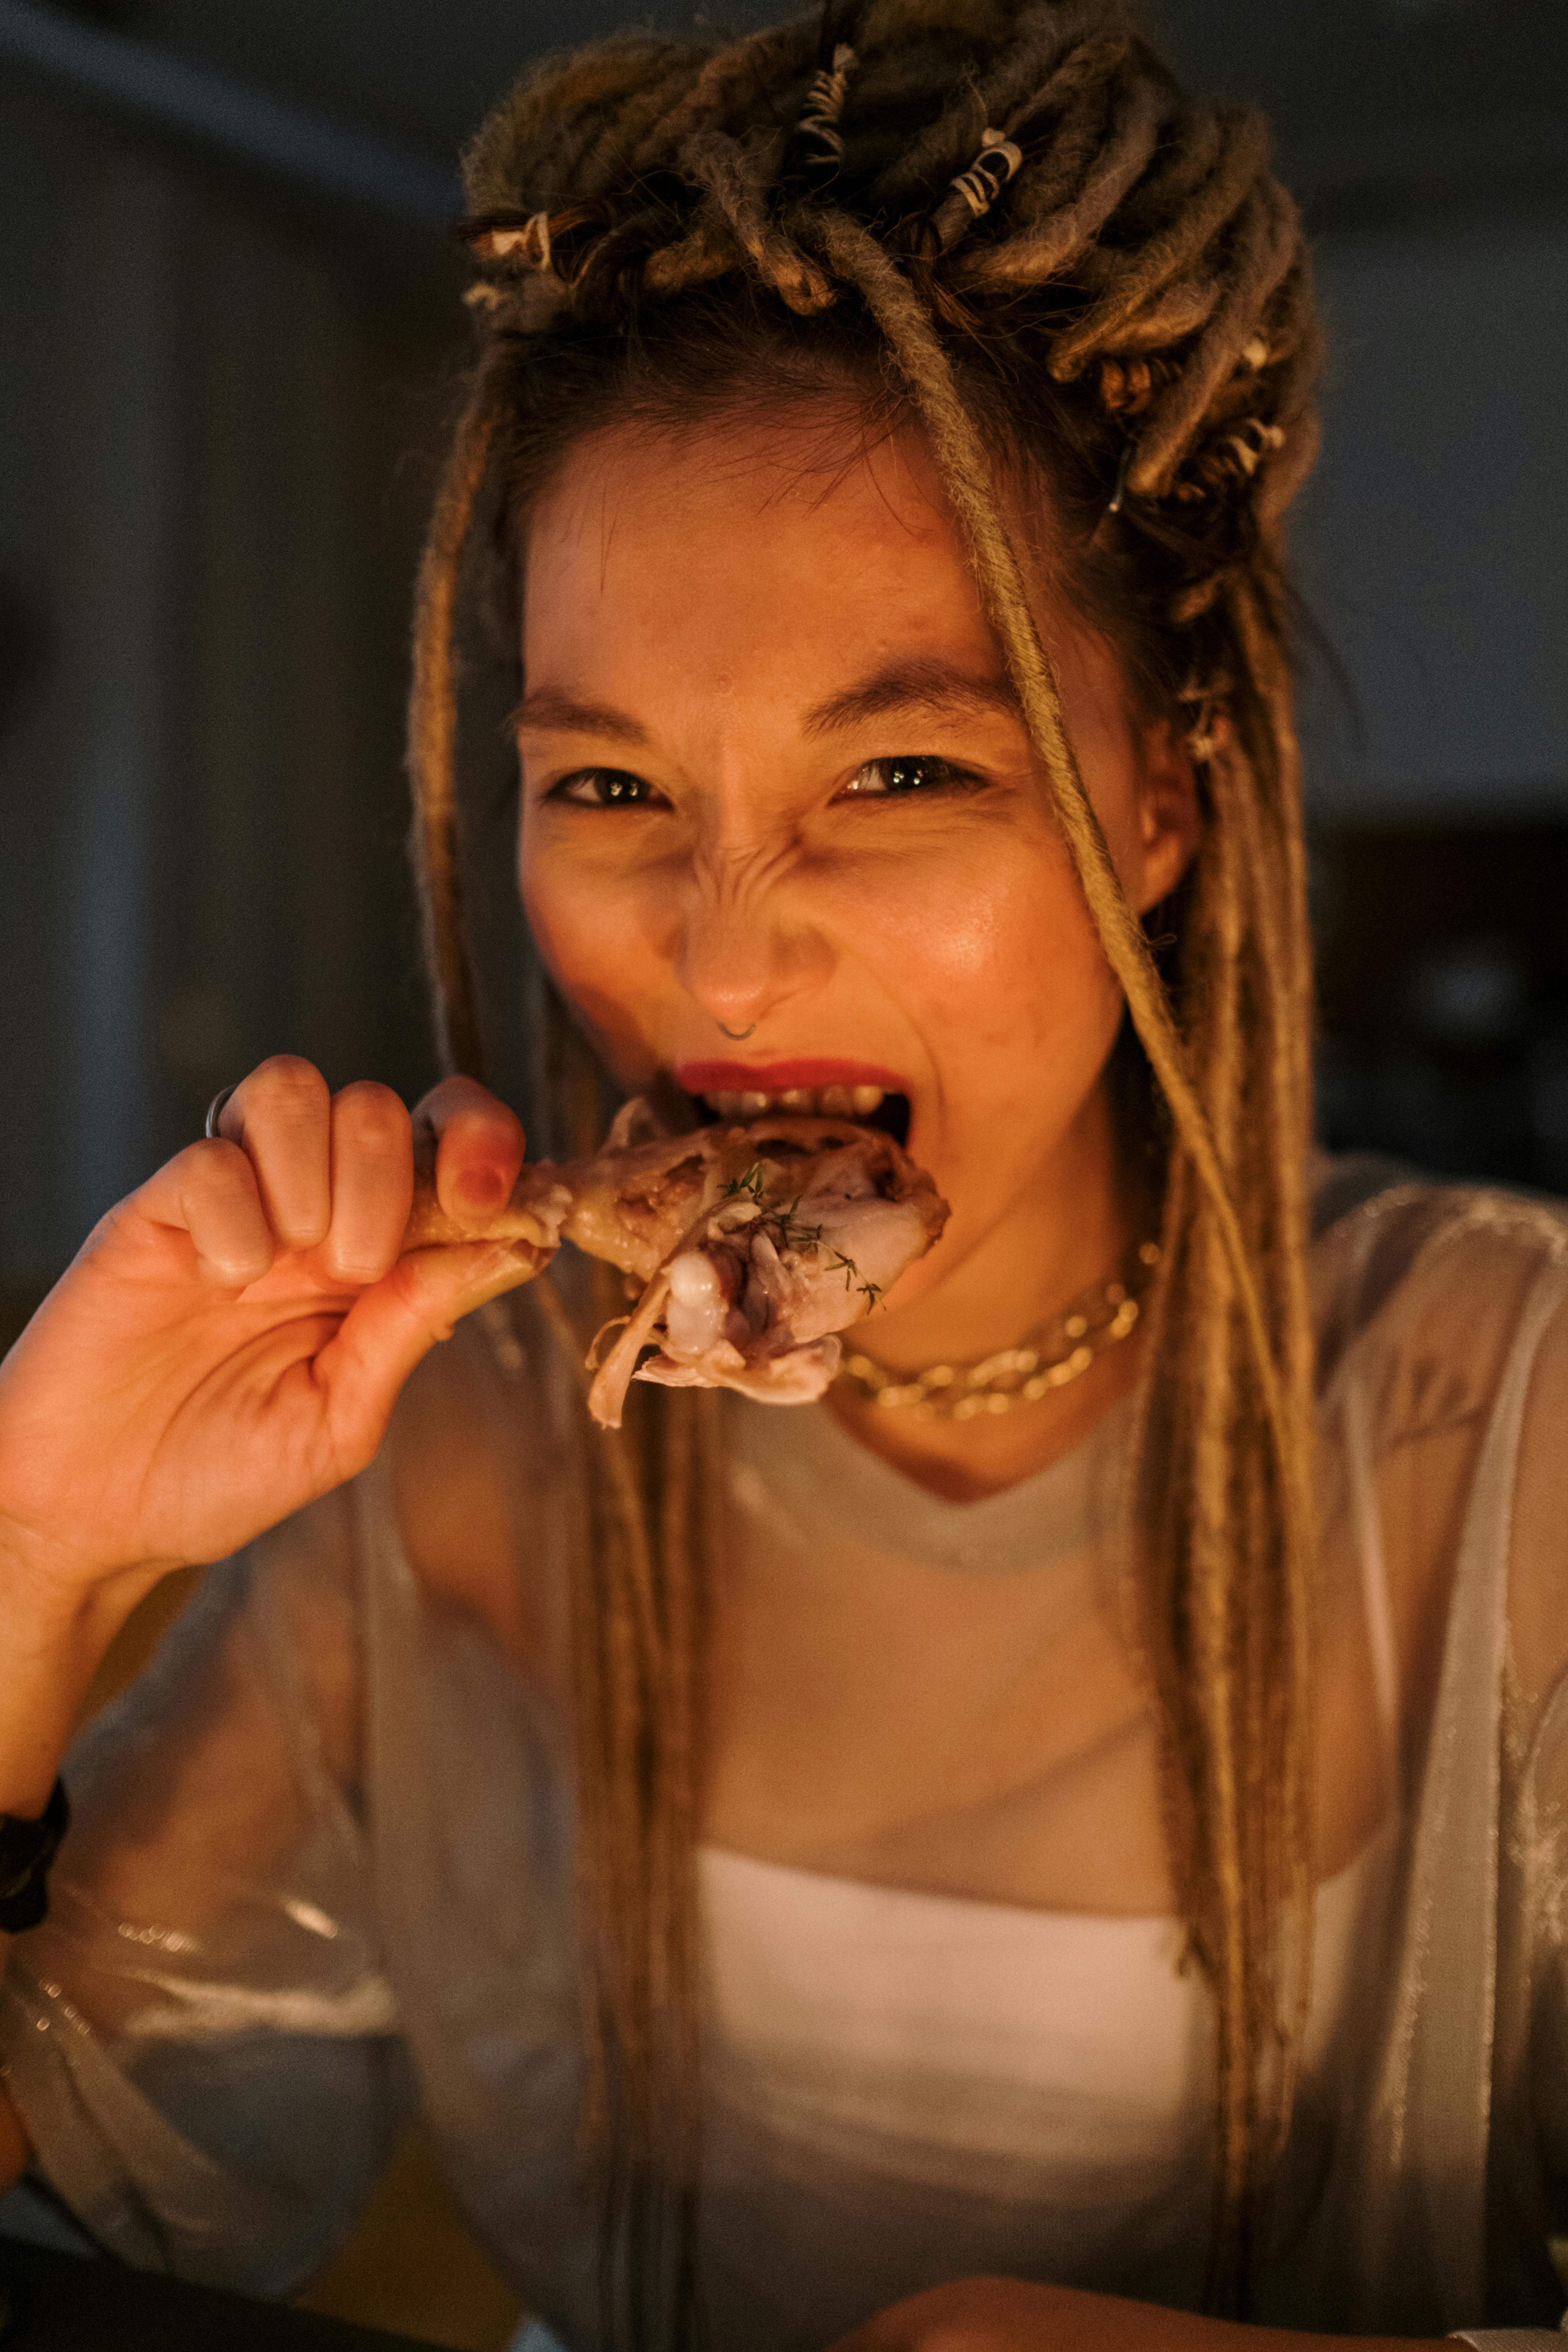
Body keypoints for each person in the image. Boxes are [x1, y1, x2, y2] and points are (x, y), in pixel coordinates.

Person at [0, 3, 1565, 2348]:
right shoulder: (465, 1449)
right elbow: (65, 2175)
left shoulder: (1515, 1424)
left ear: (1163, 798)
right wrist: (32, 1547)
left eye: (907, 772)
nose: (724, 961)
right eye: (612, 790)